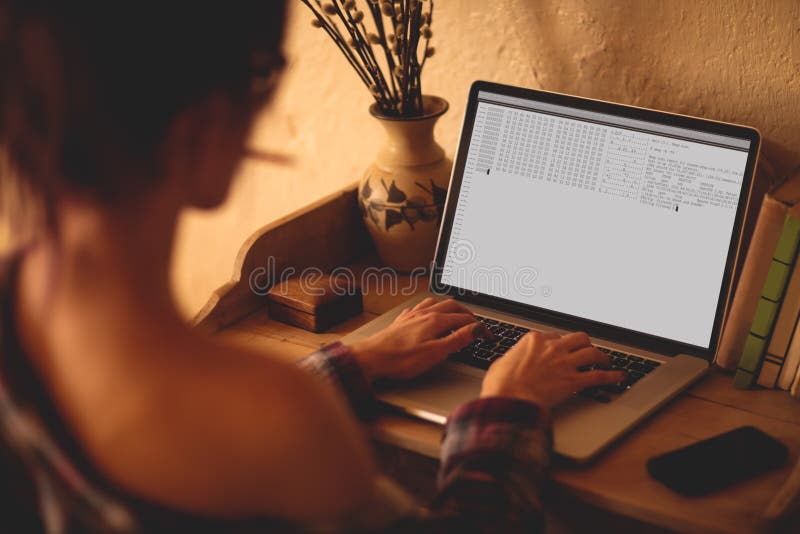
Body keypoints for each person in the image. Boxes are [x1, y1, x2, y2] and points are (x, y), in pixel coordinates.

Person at [0, 2, 626, 532]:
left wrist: (355, 363)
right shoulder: (284, 420)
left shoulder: (17, 309)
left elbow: (227, 434)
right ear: (201, 133)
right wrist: (509, 405)